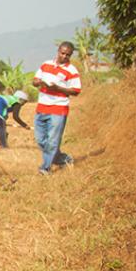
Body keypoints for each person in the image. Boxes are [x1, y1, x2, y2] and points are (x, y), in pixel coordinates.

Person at [33, 42, 81, 175]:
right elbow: (35, 80)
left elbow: (76, 91)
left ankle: (45, 168)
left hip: (59, 108)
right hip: (42, 107)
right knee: (40, 140)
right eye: (62, 53)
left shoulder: (72, 70)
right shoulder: (46, 64)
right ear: (58, 51)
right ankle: (63, 158)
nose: (64, 56)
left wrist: (57, 88)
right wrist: (39, 82)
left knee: (53, 141)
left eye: (68, 54)